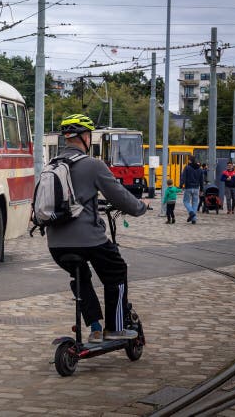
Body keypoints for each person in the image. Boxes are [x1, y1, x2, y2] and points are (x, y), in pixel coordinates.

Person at [47, 114, 147, 344]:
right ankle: (115, 328)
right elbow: (120, 197)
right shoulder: (92, 165)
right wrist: (141, 207)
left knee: (80, 277)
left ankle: (94, 327)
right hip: (88, 240)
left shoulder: (52, 164)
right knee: (116, 270)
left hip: (56, 245)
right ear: (85, 136)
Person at [179, 155, 203, 224]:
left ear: (190, 160)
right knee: (195, 203)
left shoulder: (187, 167)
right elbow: (201, 180)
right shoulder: (200, 169)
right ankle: (194, 219)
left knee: (186, 202)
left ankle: (191, 212)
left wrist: (181, 185)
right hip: (196, 188)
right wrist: (201, 189)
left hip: (188, 187)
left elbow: (183, 177)